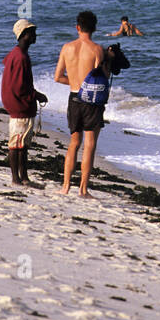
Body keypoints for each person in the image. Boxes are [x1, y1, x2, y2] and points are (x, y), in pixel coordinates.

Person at [54, 10, 107, 196]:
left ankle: (66, 186)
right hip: (91, 100)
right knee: (90, 143)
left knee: (74, 142)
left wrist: (76, 82)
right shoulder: (97, 49)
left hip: (74, 97)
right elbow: (101, 79)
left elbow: (58, 77)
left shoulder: (66, 47)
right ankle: (83, 189)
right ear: (94, 28)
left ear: (77, 27)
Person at [2, 19, 48, 189]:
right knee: (17, 145)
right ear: (25, 35)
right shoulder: (21, 57)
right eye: (32, 33)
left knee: (22, 144)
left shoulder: (15, 54)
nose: (35, 36)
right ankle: (16, 179)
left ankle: (24, 177)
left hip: (16, 106)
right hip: (20, 107)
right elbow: (21, 86)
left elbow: (8, 68)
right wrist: (37, 95)